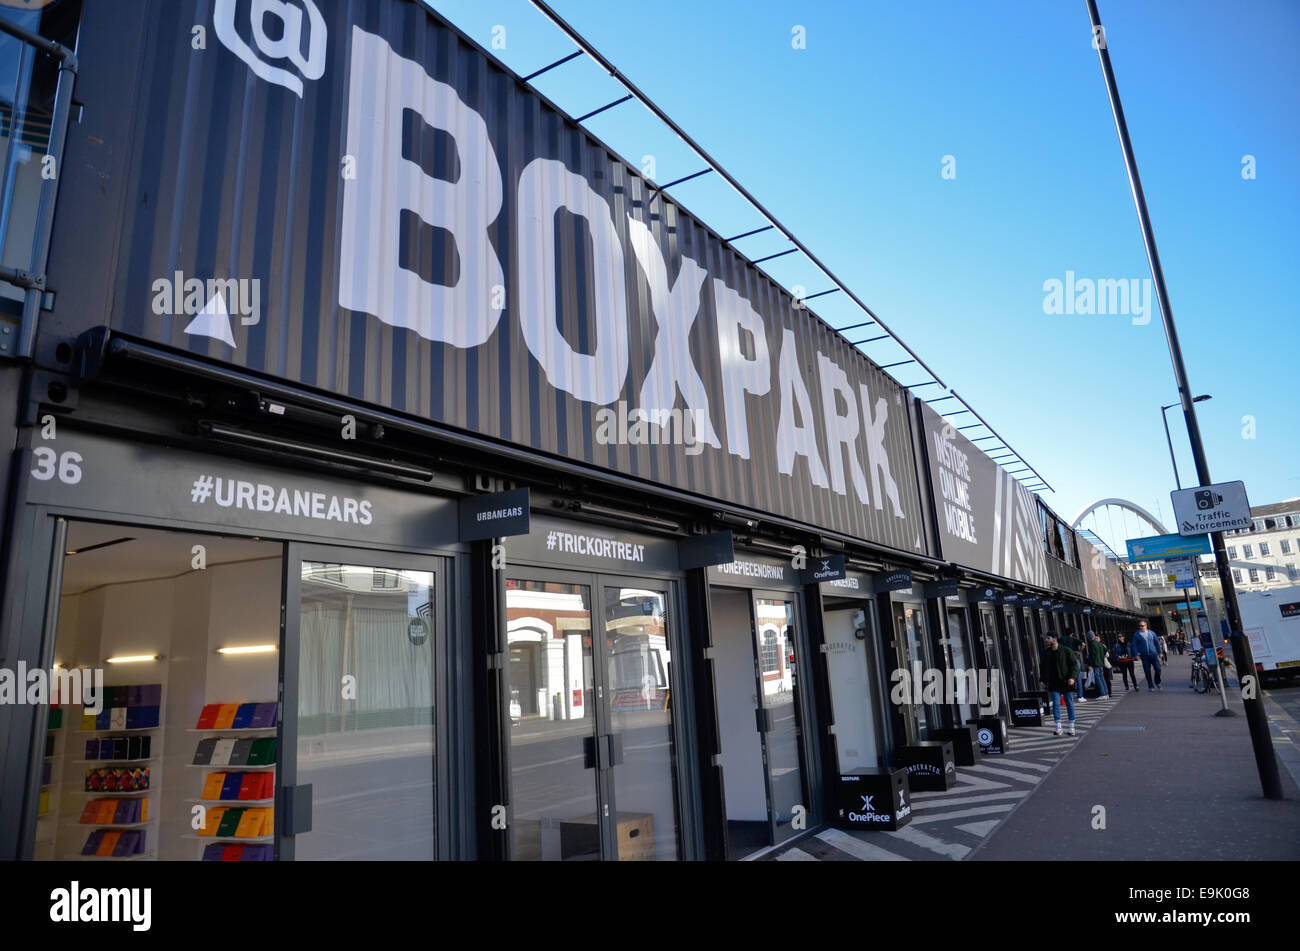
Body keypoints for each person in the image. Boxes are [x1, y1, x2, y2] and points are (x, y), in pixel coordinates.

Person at [1039, 633, 1079, 736]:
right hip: (1053, 683)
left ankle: (1071, 727)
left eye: (1048, 638)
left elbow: (1074, 665)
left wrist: (1072, 678)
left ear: (1055, 639)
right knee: (1056, 704)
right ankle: (1058, 727)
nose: (1046, 640)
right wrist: (1042, 680)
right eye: (1046, 638)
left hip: (1066, 681)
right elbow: (1042, 667)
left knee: (1069, 704)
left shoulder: (1066, 651)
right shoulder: (1046, 653)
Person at [1133, 621, 1163, 690]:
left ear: (1146, 626)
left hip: (1153, 654)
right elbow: (1134, 645)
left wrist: (1160, 652)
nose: (1141, 627)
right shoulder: (1136, 635)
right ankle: (1150, 685)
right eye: (1140, 626)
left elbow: (1157, 643)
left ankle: (1157, 681)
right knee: (1147, 671)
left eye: (1142, 626)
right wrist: (1136, 654)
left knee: (1158, 669)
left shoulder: (1151, 633)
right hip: (1144, 655)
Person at [1059, 629, 1087, 703]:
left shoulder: (1061, 639)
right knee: (1078, 678)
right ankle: (1080, 696)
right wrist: (1079, 651)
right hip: (1075, 659)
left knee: (1067, 678)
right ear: (1072, 633)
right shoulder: (1073, 639)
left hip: (1065, 661)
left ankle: (1067, 696)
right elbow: (1083, 644)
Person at [1087, 632, 1111, 697]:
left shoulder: (1092, 644)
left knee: (1098, 679)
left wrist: (1089, 664)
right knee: (1102, 678)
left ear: (1089, 637)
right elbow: (1105, 651)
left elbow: (1091, 656)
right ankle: (1106, 693)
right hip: (1101, 663)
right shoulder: (1100, 644)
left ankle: (1103, 694)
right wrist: (1101, 657)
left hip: (1095, 664)